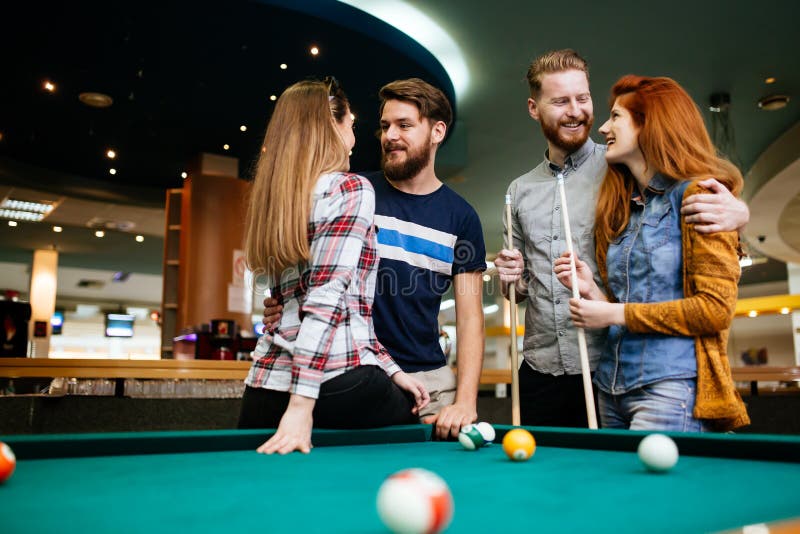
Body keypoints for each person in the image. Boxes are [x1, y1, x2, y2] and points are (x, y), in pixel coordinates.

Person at [495, 49, 749, 427]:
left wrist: (741, 213)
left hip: (609, 363)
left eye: (583, 98)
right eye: (561, 101)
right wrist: (510, 281)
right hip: (544, 366)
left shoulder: (617, 165)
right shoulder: (519, 190)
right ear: (534, 108)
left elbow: (682, 188)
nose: (577, 111)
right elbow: (519, 293)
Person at [263, 78, 486, 440]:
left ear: (437, 131)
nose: (390, 136)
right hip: (353, 372)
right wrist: (281, 305)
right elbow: (313, 280)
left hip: (428, 383)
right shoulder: (352, 191)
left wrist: (465, 401)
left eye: (404, 125)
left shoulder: (462, 218)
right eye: (385, 126)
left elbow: (471, 317)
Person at [238, 78, 429, 454]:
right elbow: (327, 303)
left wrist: (392, 371)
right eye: (351, 125)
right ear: (331, 127)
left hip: (264, 384)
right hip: (333, 384)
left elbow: (338, 307)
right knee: (420, 427)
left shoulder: (277, 201)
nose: (355, 138)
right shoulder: (349, 188)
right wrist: (300, 407)